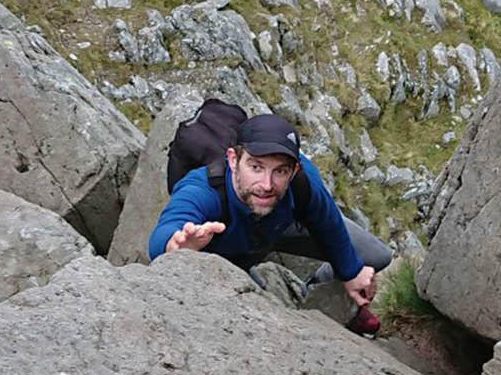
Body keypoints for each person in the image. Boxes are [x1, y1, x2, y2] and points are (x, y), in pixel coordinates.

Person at [146, 113, 393, 334]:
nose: (266, 184)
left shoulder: (302, 181)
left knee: (374, 256)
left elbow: (327, 221)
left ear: (294, 170)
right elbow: (167, 230)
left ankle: (317, 301)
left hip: (278, 225)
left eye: (280, 172)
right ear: (233, 160)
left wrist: (350, 272)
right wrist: (177, 248)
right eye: (256, 167)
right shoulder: (205, 189)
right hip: (225, 249)